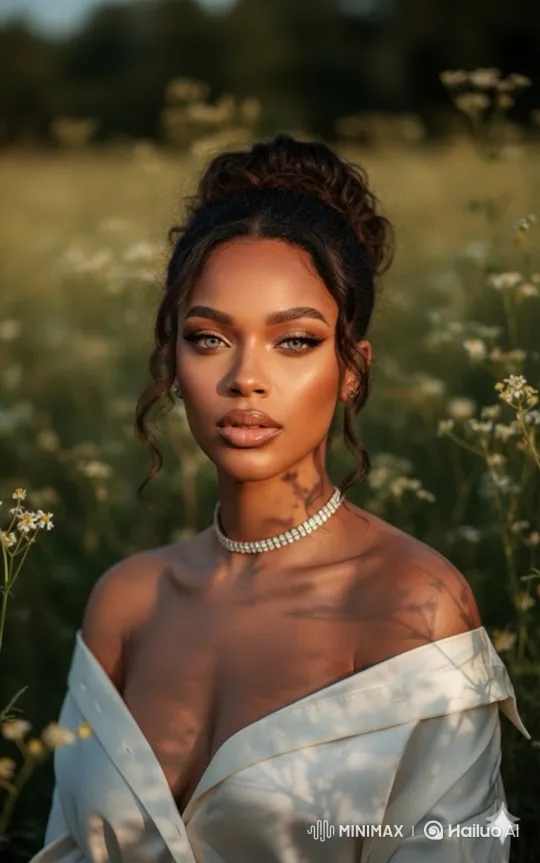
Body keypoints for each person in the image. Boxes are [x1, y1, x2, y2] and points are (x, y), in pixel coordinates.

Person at [32, 134, 529, 863]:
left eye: (293, 340)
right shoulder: (125, 604)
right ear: (173, 358)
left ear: (352, 369)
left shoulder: (414, 606)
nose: (245, 379)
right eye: (208, 338)